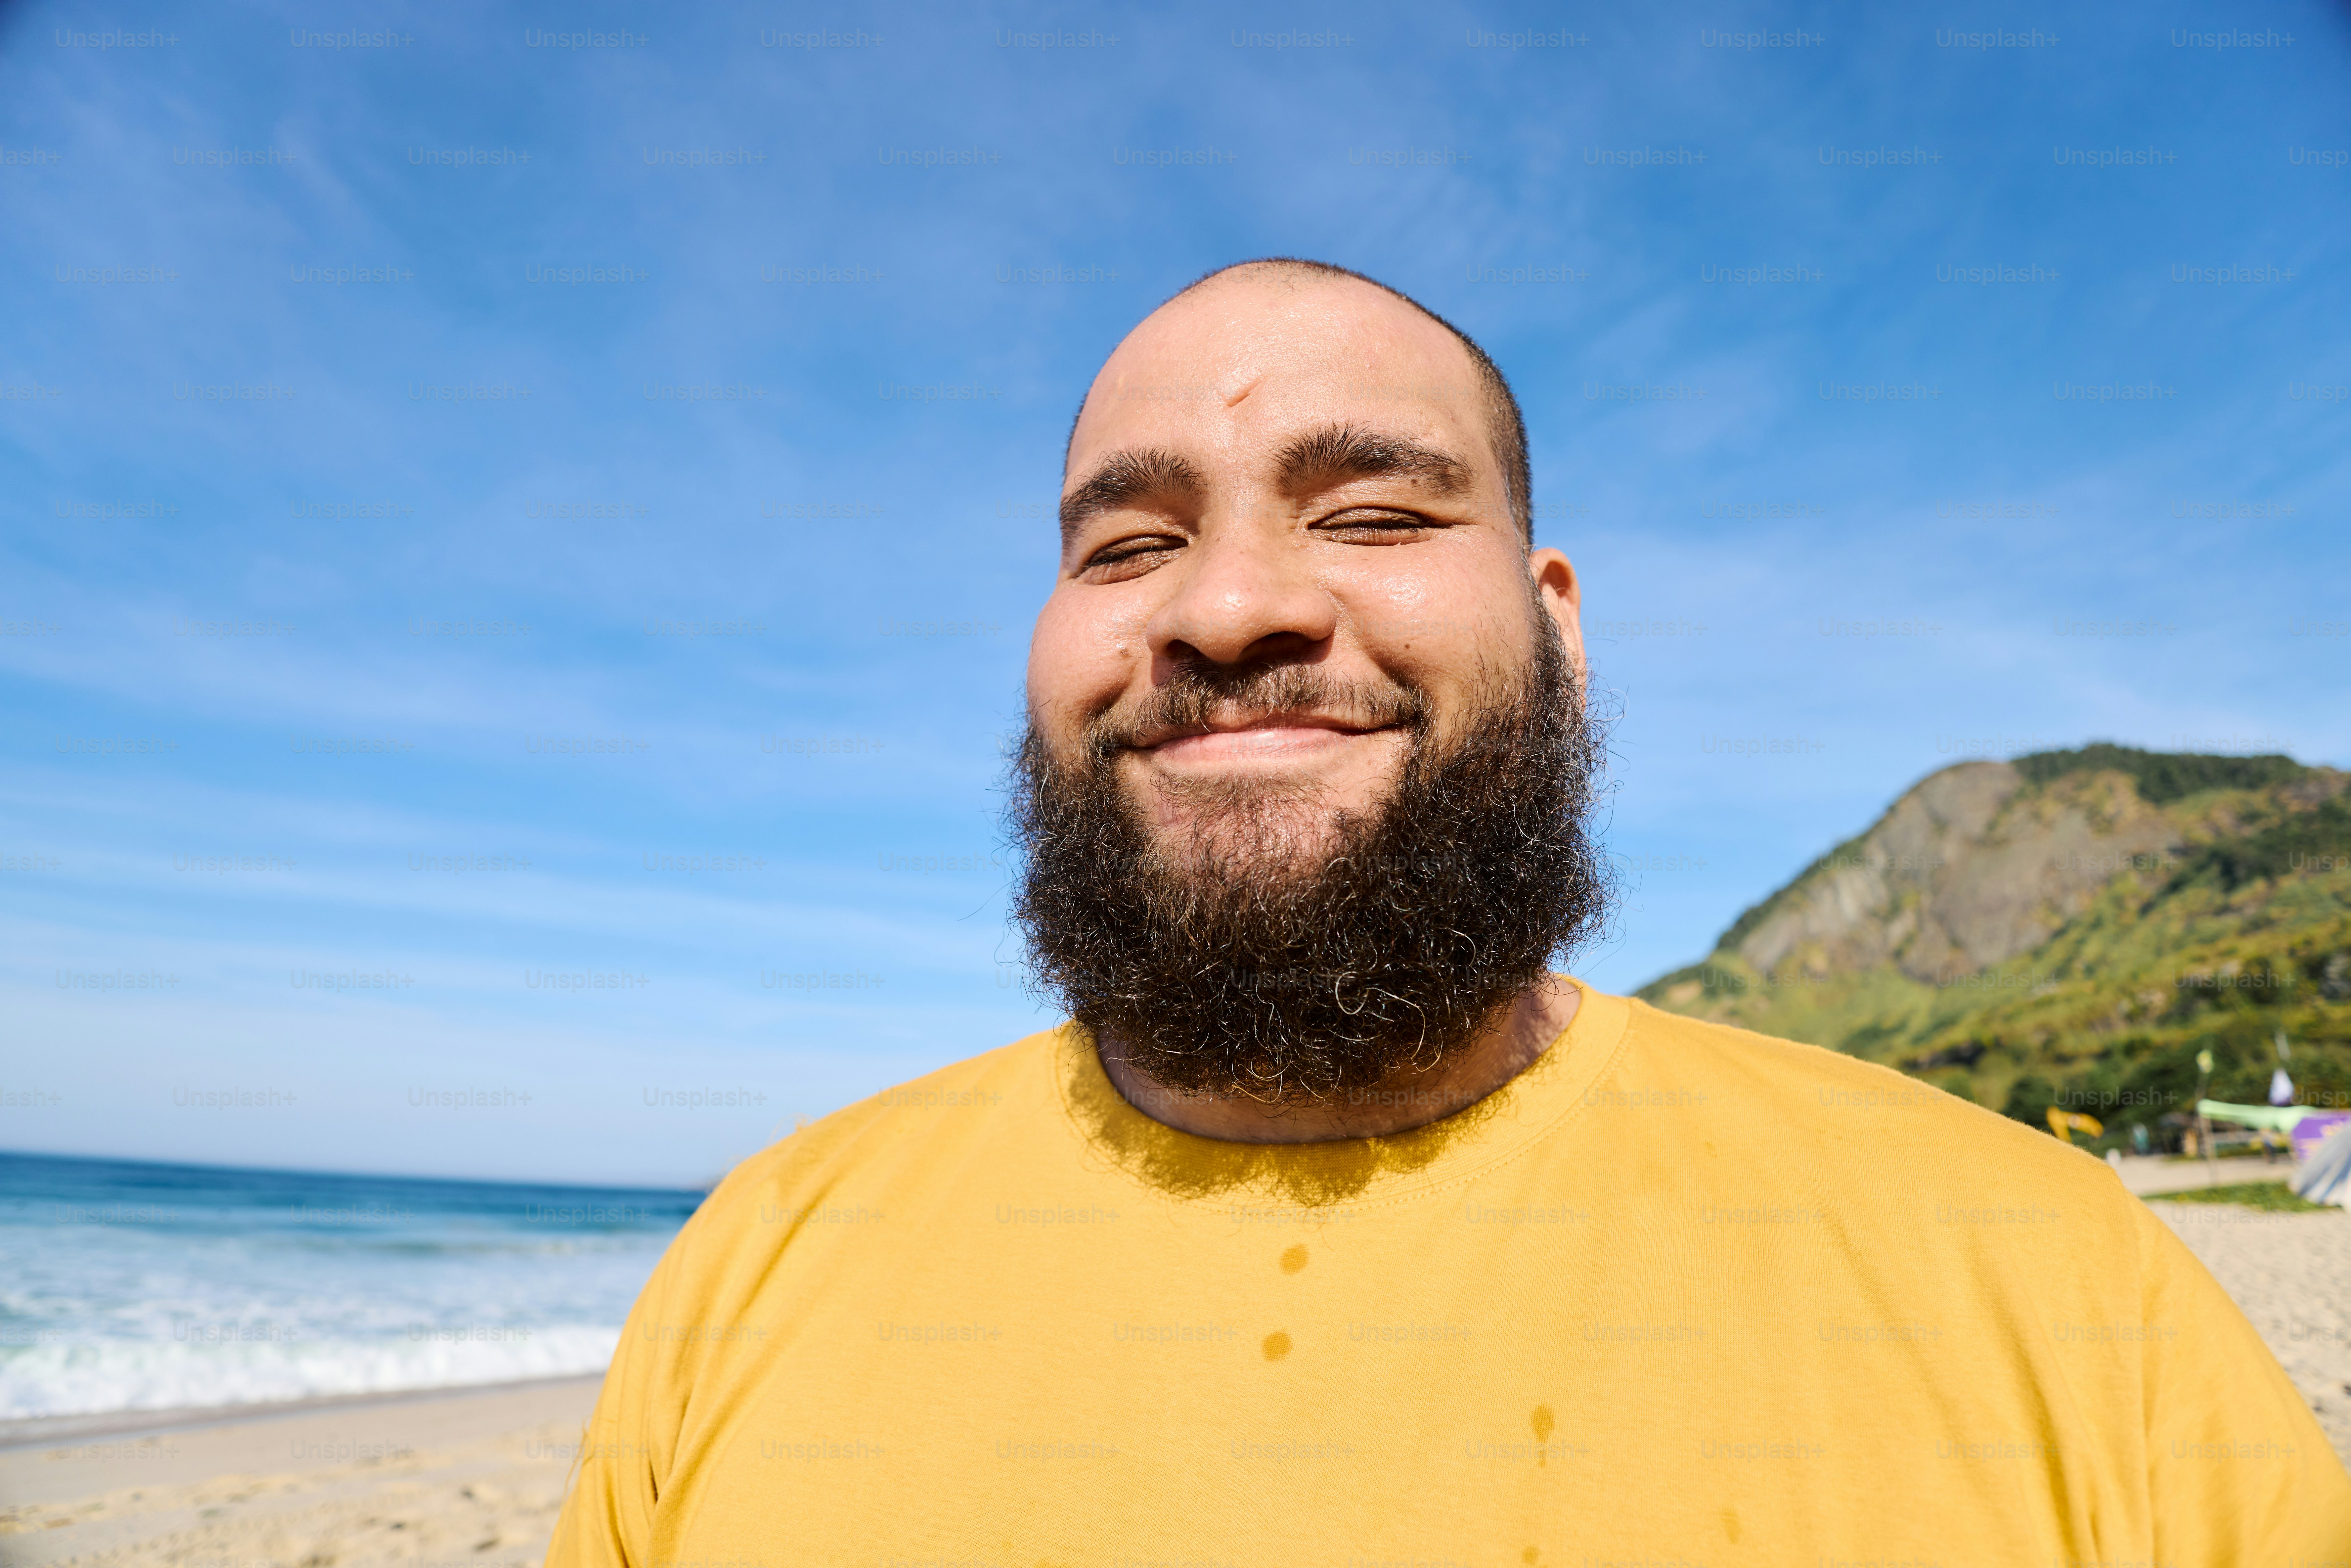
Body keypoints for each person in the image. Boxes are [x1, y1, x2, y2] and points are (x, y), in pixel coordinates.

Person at [547, 259, 2351, 1564]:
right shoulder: (762, 1257)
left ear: (1554, 618)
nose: (1229, 605)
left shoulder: (2044, 1275)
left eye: (1375, 512)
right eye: (1125, 546)